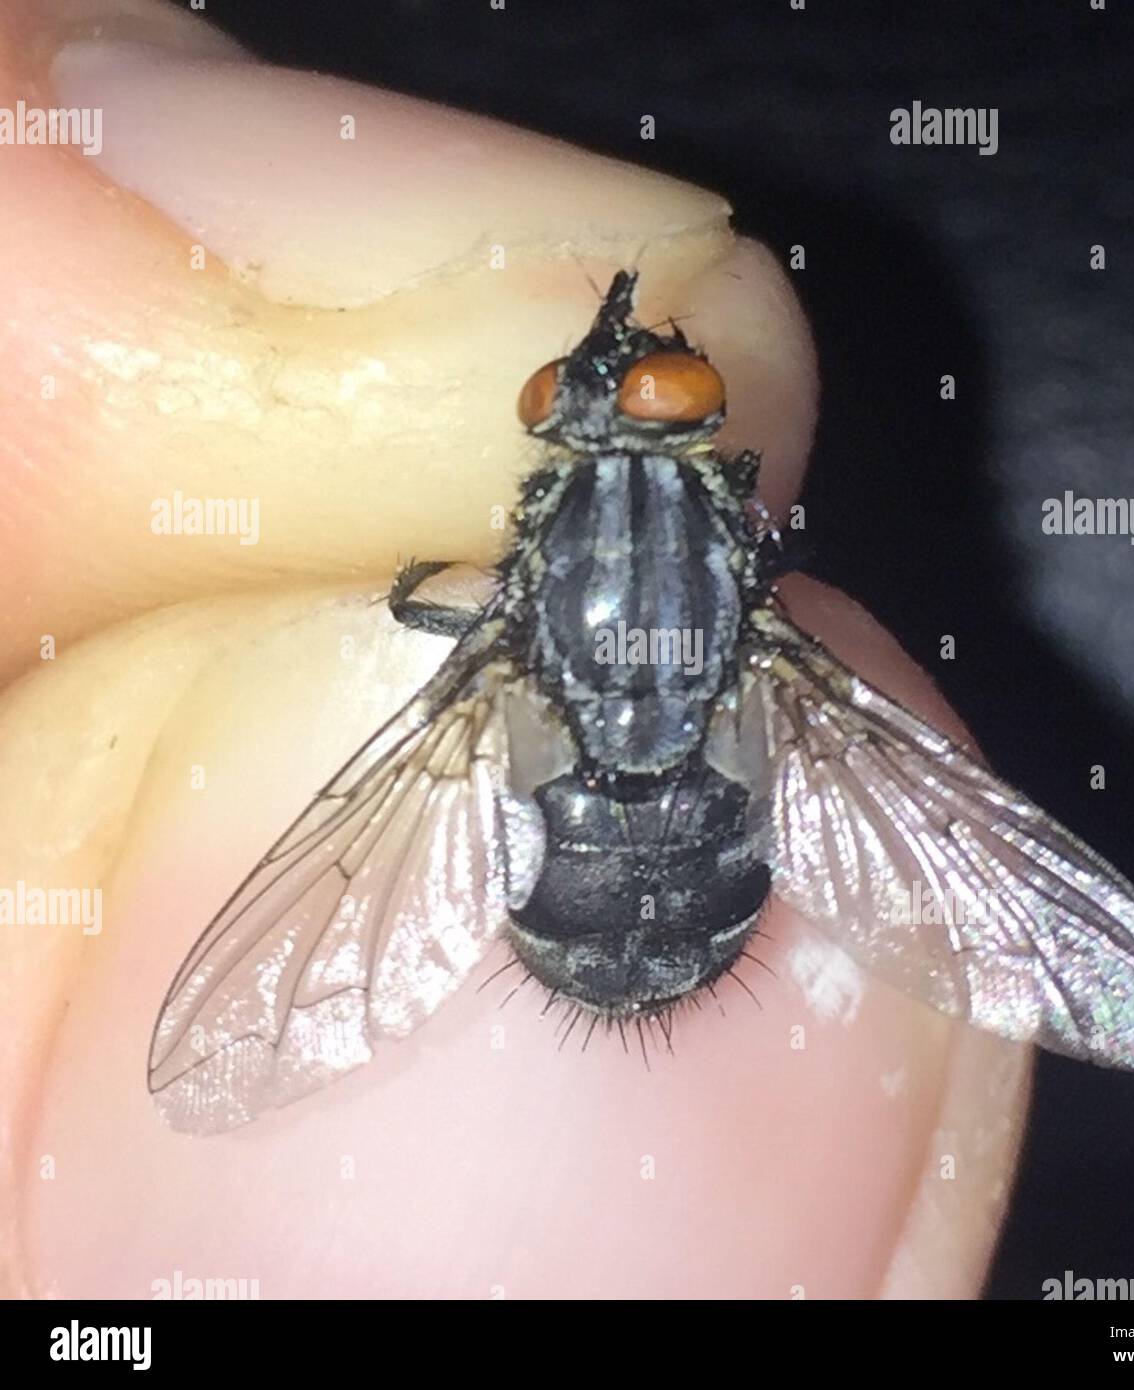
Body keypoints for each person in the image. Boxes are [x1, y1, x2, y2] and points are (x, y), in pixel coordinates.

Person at [0, 0, 1029, 1299]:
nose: (603, 397)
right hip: (662, 856)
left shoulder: (521, 577)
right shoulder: (739, 568)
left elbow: (434, 619)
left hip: (596, 878)